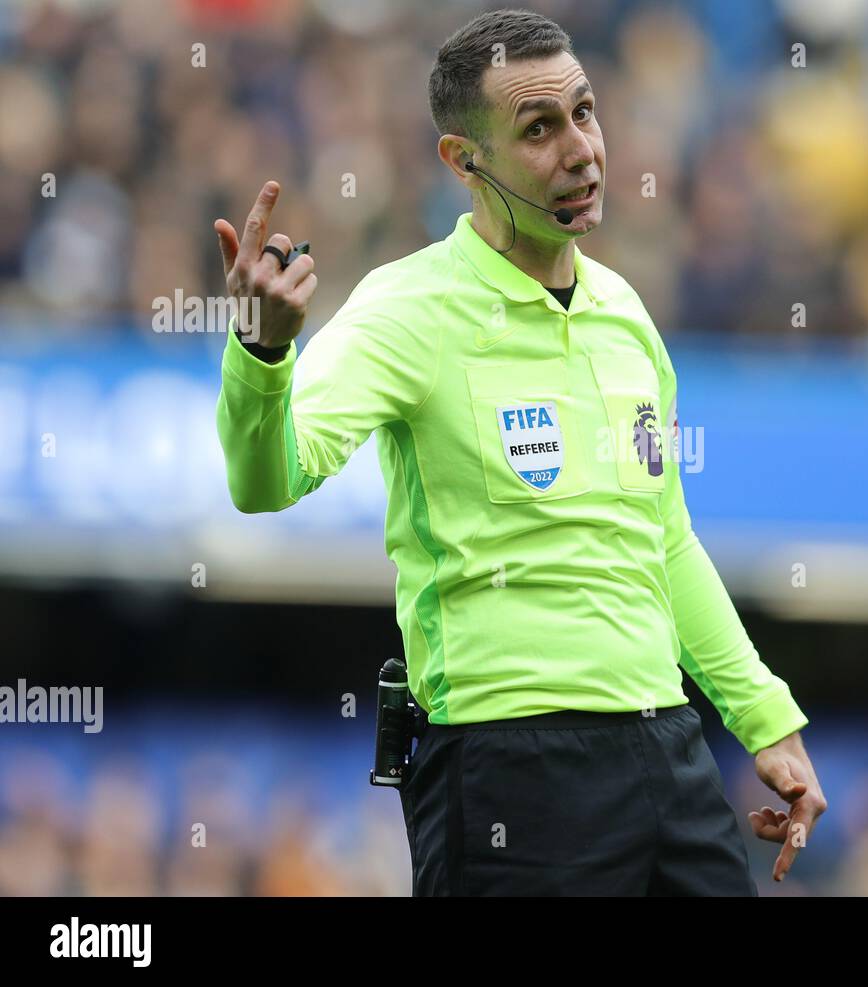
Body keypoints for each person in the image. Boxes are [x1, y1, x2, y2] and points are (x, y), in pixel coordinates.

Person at [213, 7, 824, 896]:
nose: (580, 150)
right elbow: (265, 483)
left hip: (671, 756)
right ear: (464, 161)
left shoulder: (627, 316)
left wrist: (767, 721)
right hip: (509, 766)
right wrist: (263, 355)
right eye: (538, 129)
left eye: (585, 112)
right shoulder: (405, 309)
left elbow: (666, 543)